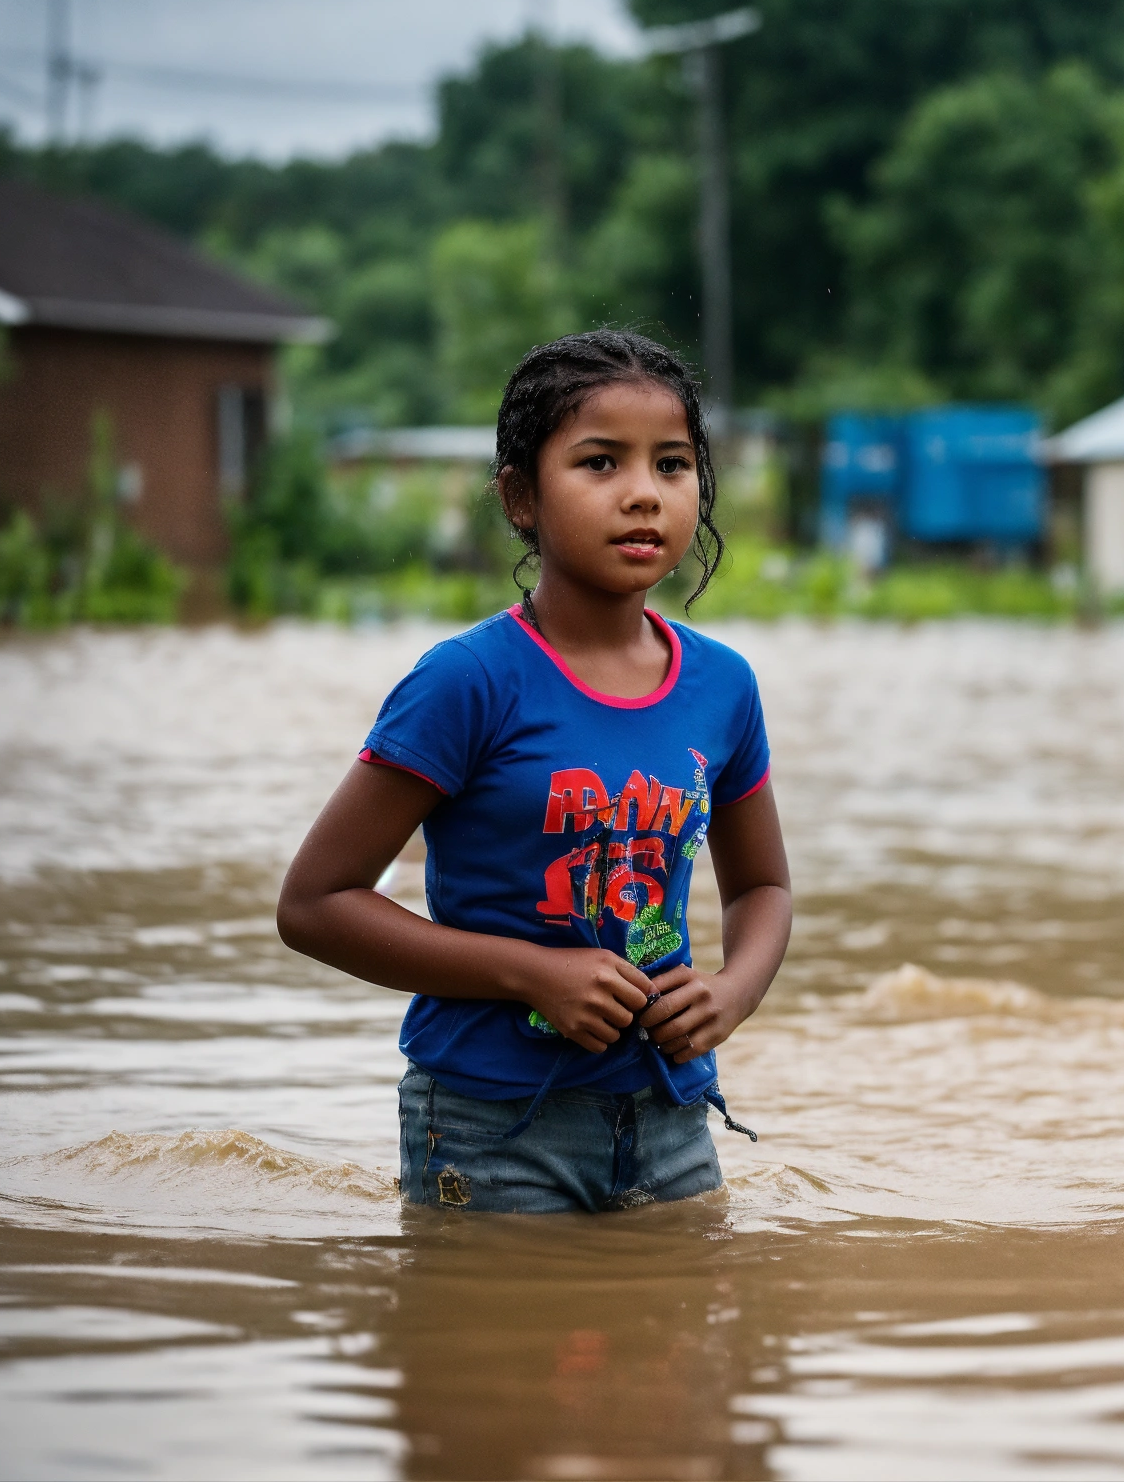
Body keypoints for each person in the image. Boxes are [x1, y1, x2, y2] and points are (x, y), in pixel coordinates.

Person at [276, 330, 792, 1214]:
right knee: (498, 1345)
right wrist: (531, 973)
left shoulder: (723, 687)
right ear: (521, 497)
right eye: (600, 463)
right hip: (489, 1124)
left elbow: (765, 890)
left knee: (690, 1344)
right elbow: (315, 905)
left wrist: (731, 994)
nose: (642, 494)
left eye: (671, 465)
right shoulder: (467, 682)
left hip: (669, 1116)